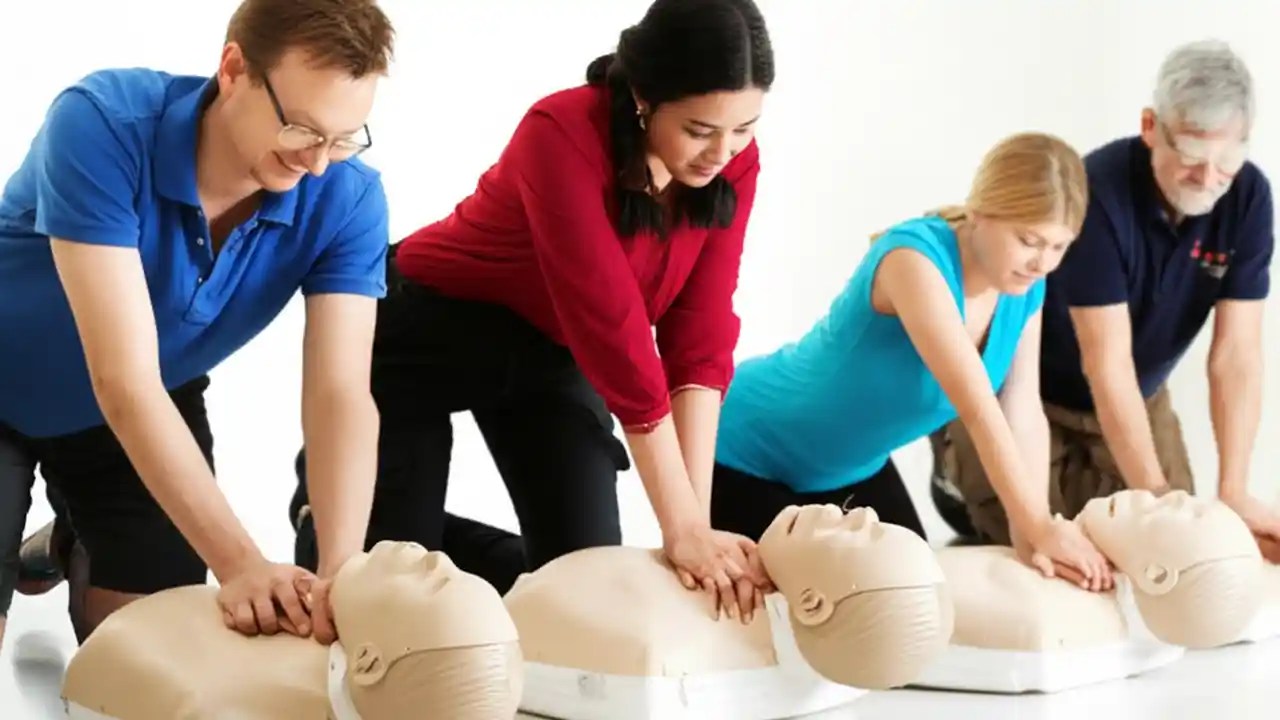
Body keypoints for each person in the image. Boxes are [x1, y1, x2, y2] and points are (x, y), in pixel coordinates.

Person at [288, 0, 775, 618]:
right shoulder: (563, 129)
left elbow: (699, 336)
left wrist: (693, 527)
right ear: (644, 98)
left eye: (745, 128)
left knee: (585, 590)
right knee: (389, 589)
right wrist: (679, 525)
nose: (722, 152)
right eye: (700, 130)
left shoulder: (733, 165)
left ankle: (416, 534)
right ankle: (337, 515)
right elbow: (613, 327)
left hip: (550, 350)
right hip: (425, 329)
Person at [0, 0, 395, 648]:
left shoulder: (349, 197)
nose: (316, 163)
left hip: (146, 401)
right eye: (300, 128)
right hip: (30, 381)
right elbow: (119, 378)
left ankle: (74, 533)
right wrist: (239, 564)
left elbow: (341, 394)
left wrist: (339, 569)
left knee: (149, 656)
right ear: (233, 68)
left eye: (343, 138)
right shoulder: (101, 122)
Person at [711, 132, 1114, 591]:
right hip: (745, 450)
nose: (1043, 262)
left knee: (919, 599)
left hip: (850, 470)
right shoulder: (914, 260)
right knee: (831, 606)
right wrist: (1040, 527)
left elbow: (1021, 407)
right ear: (980, 212)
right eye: (1029, 239)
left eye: (1059, 247)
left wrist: (1031, 528)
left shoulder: (1024, 287)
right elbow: (978, 407)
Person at [931, 40, 1280, 564]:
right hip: (1032, 397)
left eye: (1226, 160)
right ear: (1150, 127)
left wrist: (1233, 492)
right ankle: (954, 469)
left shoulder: (1248, 196)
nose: (1208, 180)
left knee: (1184, 545)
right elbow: (1106, 361)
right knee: (1046, 541)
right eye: (1190, 157)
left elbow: (1237, 357)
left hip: (1140, 398)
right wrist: (1156, 504)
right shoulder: (1100, 191)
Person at [506, 504, 951, 720]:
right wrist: (689, 525)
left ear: (812, 605)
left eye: (860, 532)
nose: (862, 511)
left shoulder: (658, 649)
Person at [62, 541, 523, 719]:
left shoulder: (235, 710)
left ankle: (75, 542)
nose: (437, 556)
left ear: (366, 662)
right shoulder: (370, 674)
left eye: (429, 583)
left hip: (121, 658)